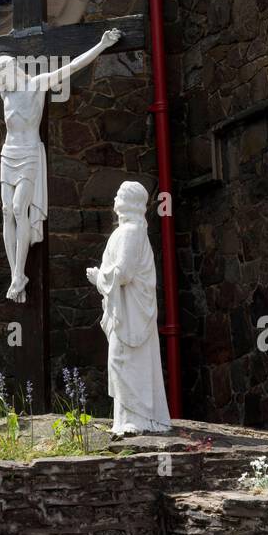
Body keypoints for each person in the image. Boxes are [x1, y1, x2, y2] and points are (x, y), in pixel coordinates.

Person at [0, 30, 121, 302]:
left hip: (29, 155)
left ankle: (18, 274)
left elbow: (73, 66)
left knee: (18, 209)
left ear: (13, 70)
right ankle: (17, 275)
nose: (1, 84)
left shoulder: (37, 84)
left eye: (3, 78)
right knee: (5, 212)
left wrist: (102, 44)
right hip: (8, 155)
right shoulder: (4, 91)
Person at [87, 181, 171, 435]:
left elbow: (123, 274)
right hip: (128, 308)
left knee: (123, 360)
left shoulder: (130, 232)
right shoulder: (128, 231)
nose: (114, 197)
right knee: (123, 361)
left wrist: (99, 277)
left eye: (119, 194)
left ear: (130, 202)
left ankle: (139, 418)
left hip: (131, 313)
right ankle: (127, 418)